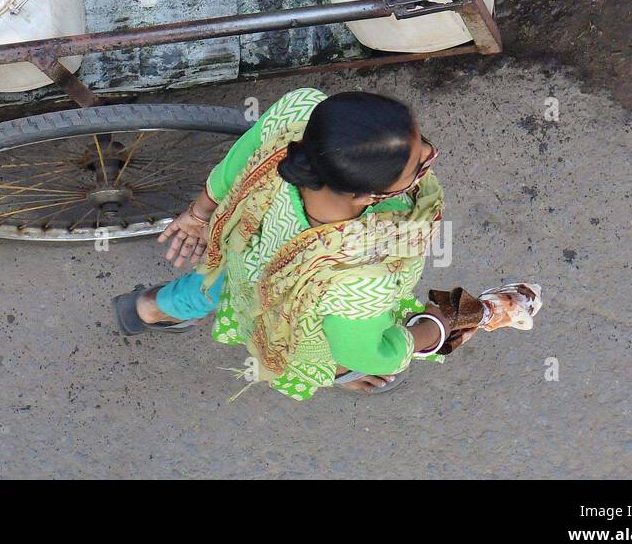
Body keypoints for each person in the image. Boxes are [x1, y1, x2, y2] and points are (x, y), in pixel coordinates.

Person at [113, 88, 453, 398]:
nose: (428, 151)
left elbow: (233, 166)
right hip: (289, 312)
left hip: (245, 254)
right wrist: (432, 332)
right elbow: (364, 351)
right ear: (367, 197)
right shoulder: (364, 272)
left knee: (226, 279)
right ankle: (338, 373)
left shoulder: (297, 113)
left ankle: (151, 308)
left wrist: (199, 214)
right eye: (420, 165)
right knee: (318, 343)